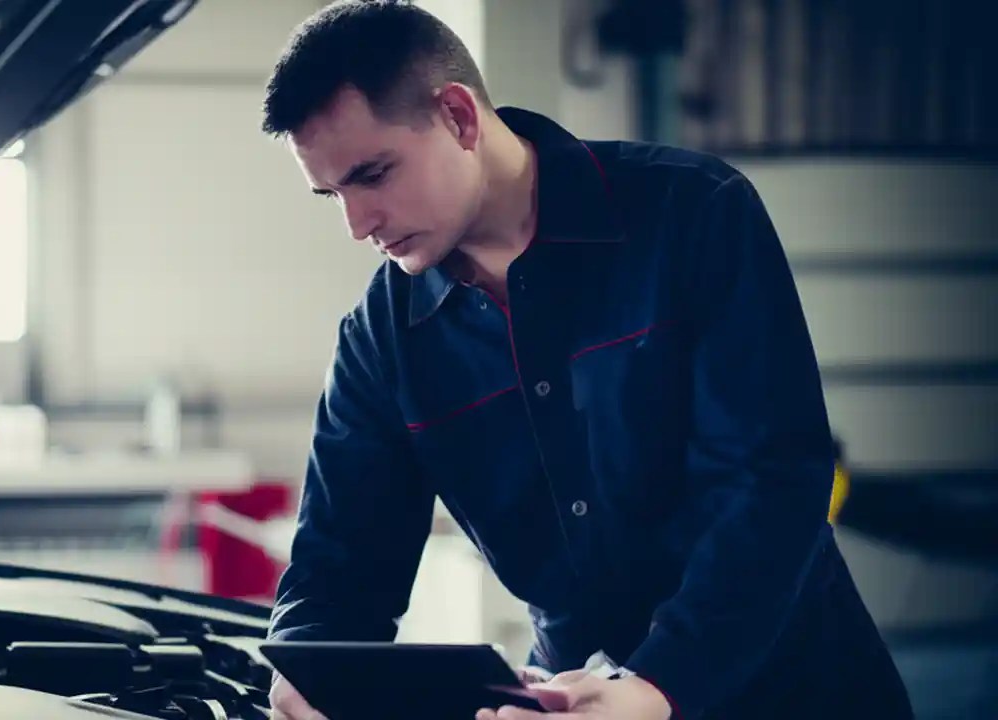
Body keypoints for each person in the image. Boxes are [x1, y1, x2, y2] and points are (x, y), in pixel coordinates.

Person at [257, 2, 914, 719]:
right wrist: (308, 669)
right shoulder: (379, 340)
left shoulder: (694, 213)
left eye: (373, 174)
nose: (358, 225)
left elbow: (771, 483)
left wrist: (658, 686)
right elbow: (340, 565)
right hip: (576, 702)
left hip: (798, 689)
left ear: (458, 116)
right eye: (332, 196)